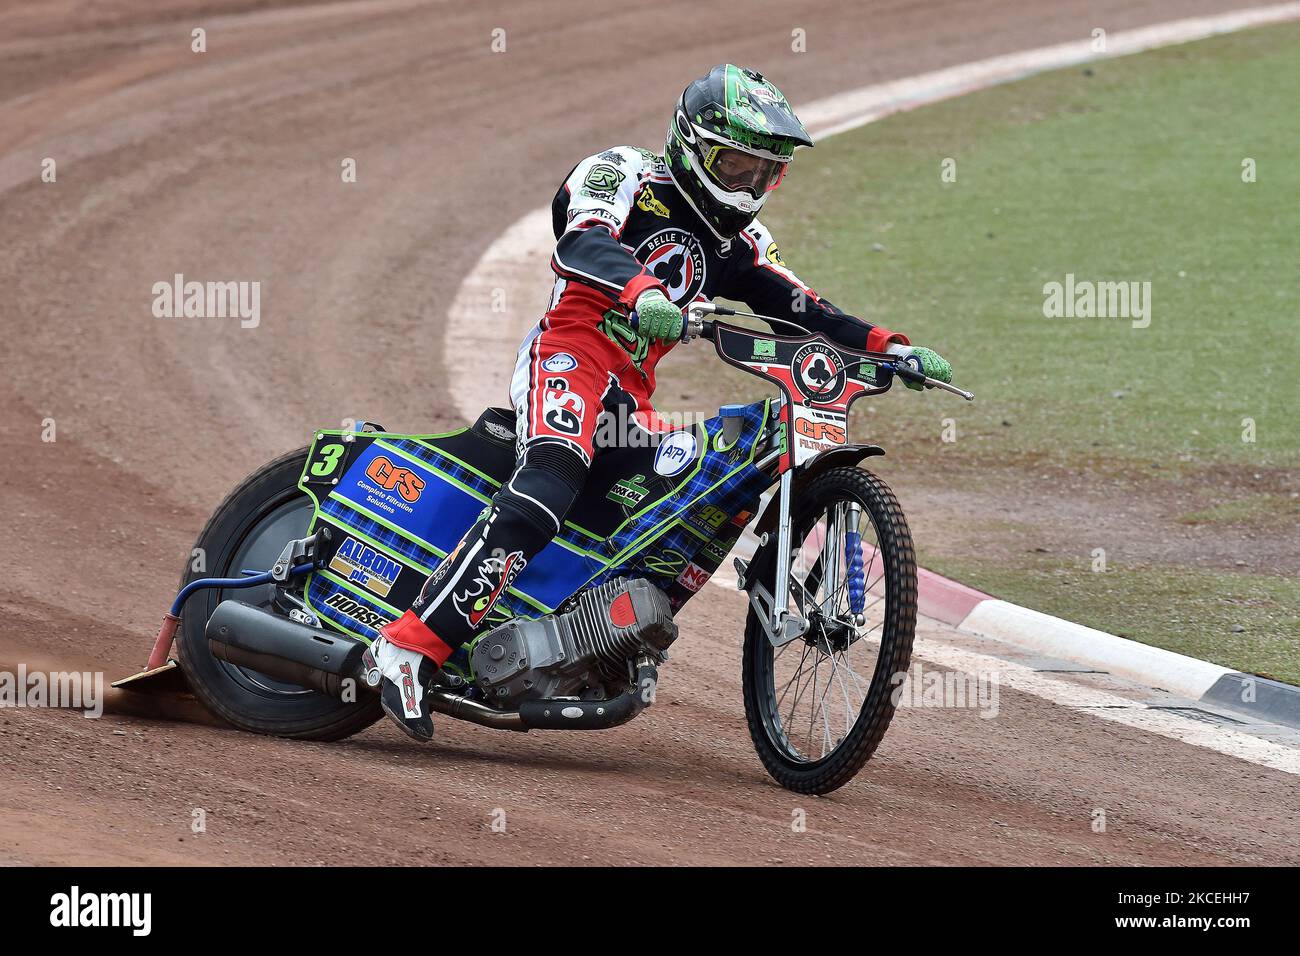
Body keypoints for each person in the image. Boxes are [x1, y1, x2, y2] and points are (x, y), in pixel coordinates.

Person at [364, 64, 952, 740]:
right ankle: (410, 646)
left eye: (765, 174)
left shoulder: (741, 243)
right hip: (570, 357)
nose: (749, 186)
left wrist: (888, 346)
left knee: (672, 507)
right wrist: (641, 292)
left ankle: (583, 641)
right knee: (549, 485)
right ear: (693, 145)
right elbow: (581, 238)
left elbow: (800, 305)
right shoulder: (623, 173)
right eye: (736, 166)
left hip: (627, 401)